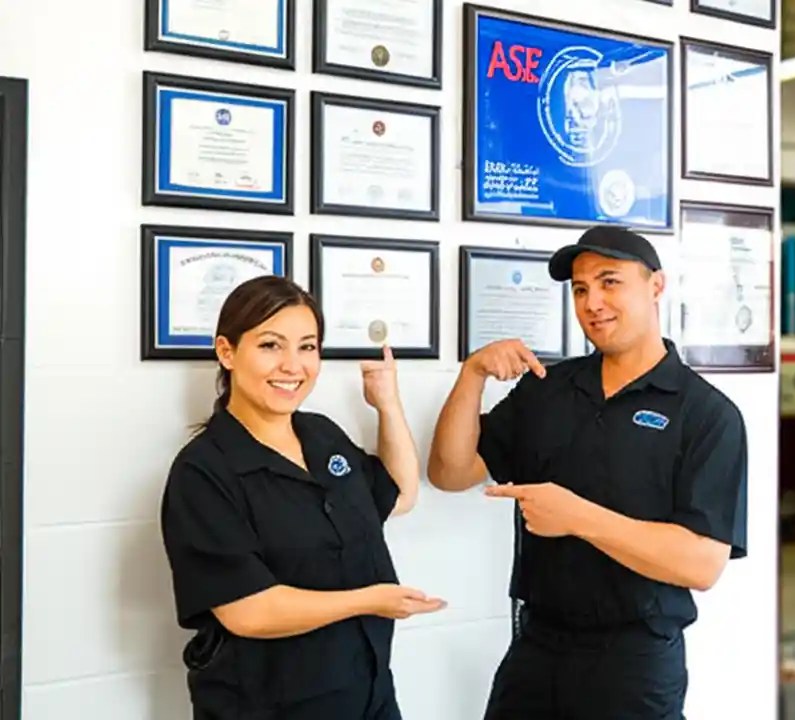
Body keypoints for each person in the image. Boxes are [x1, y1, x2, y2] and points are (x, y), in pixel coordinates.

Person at [428, 225, 749, 720]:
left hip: (633, 664)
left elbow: (701, 564)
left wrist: (577, 517)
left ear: (656, 286)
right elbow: (450, 472)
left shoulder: (705, 414)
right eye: (580, 289)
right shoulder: (547, 389)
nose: (592, 302)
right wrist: (471, 376)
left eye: (609, 282)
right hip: (536, 648)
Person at [159, 276, 445, 720]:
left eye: (308, 347)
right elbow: (247, 611)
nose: (293, 365)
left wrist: (386, 403)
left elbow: (401, 494)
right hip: (265, 706)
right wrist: (369, 600)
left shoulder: (322, 435)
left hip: (366, 695)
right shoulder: (203, 472)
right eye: (271, 345)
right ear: (226, 352)